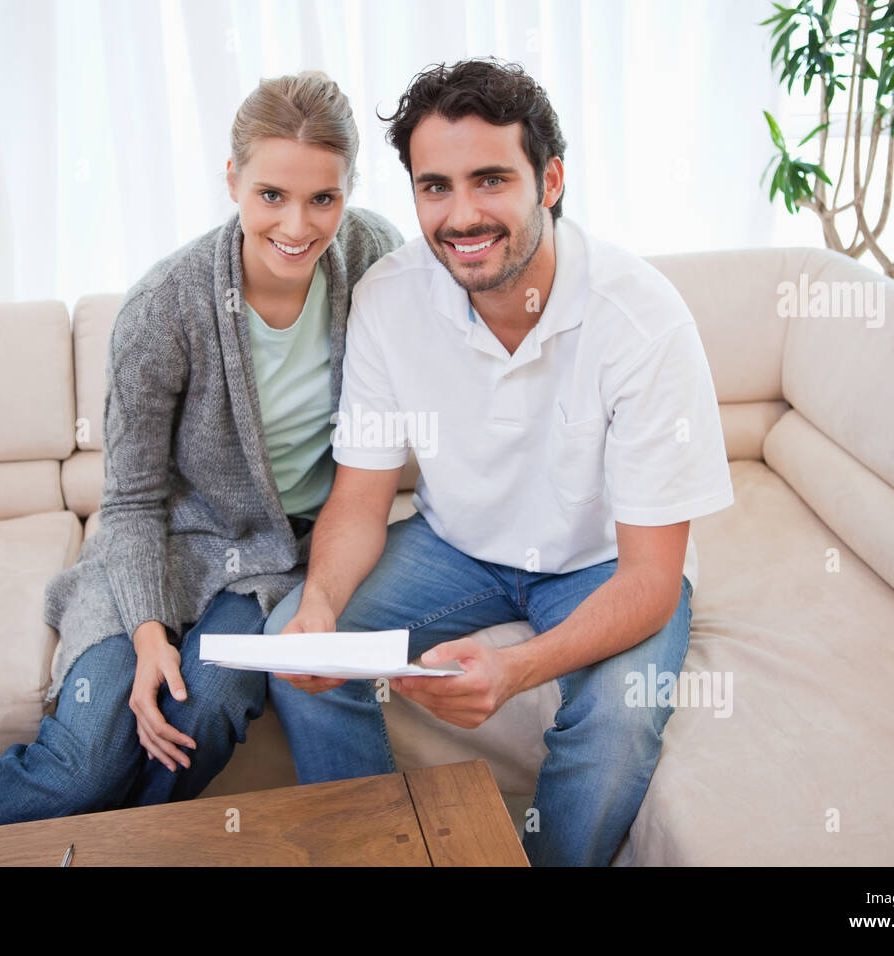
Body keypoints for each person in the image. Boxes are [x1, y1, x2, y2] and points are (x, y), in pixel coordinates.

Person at [0, 70, 402, 836]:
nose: (298, 225)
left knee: (204, 704)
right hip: (163, 546)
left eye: (322, 199)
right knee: (86, 759)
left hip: (277, 559)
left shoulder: (371, 256)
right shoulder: (162, 310)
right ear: (232, 180)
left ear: (349, 192)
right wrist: (146, 635)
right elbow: (131, 501)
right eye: (271, 194)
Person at [264, 58, 735, 866]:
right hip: (456, 548)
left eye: (490, 180)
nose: (461, 214)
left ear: (549, 180)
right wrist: (319, 603)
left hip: (603, 565)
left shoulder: (642, 319)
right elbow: (359, 499)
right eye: (434, 186)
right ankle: (383, 854)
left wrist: (514, 670)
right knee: (294, 641)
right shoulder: (389, 296)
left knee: (621, 716)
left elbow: (652, 579)